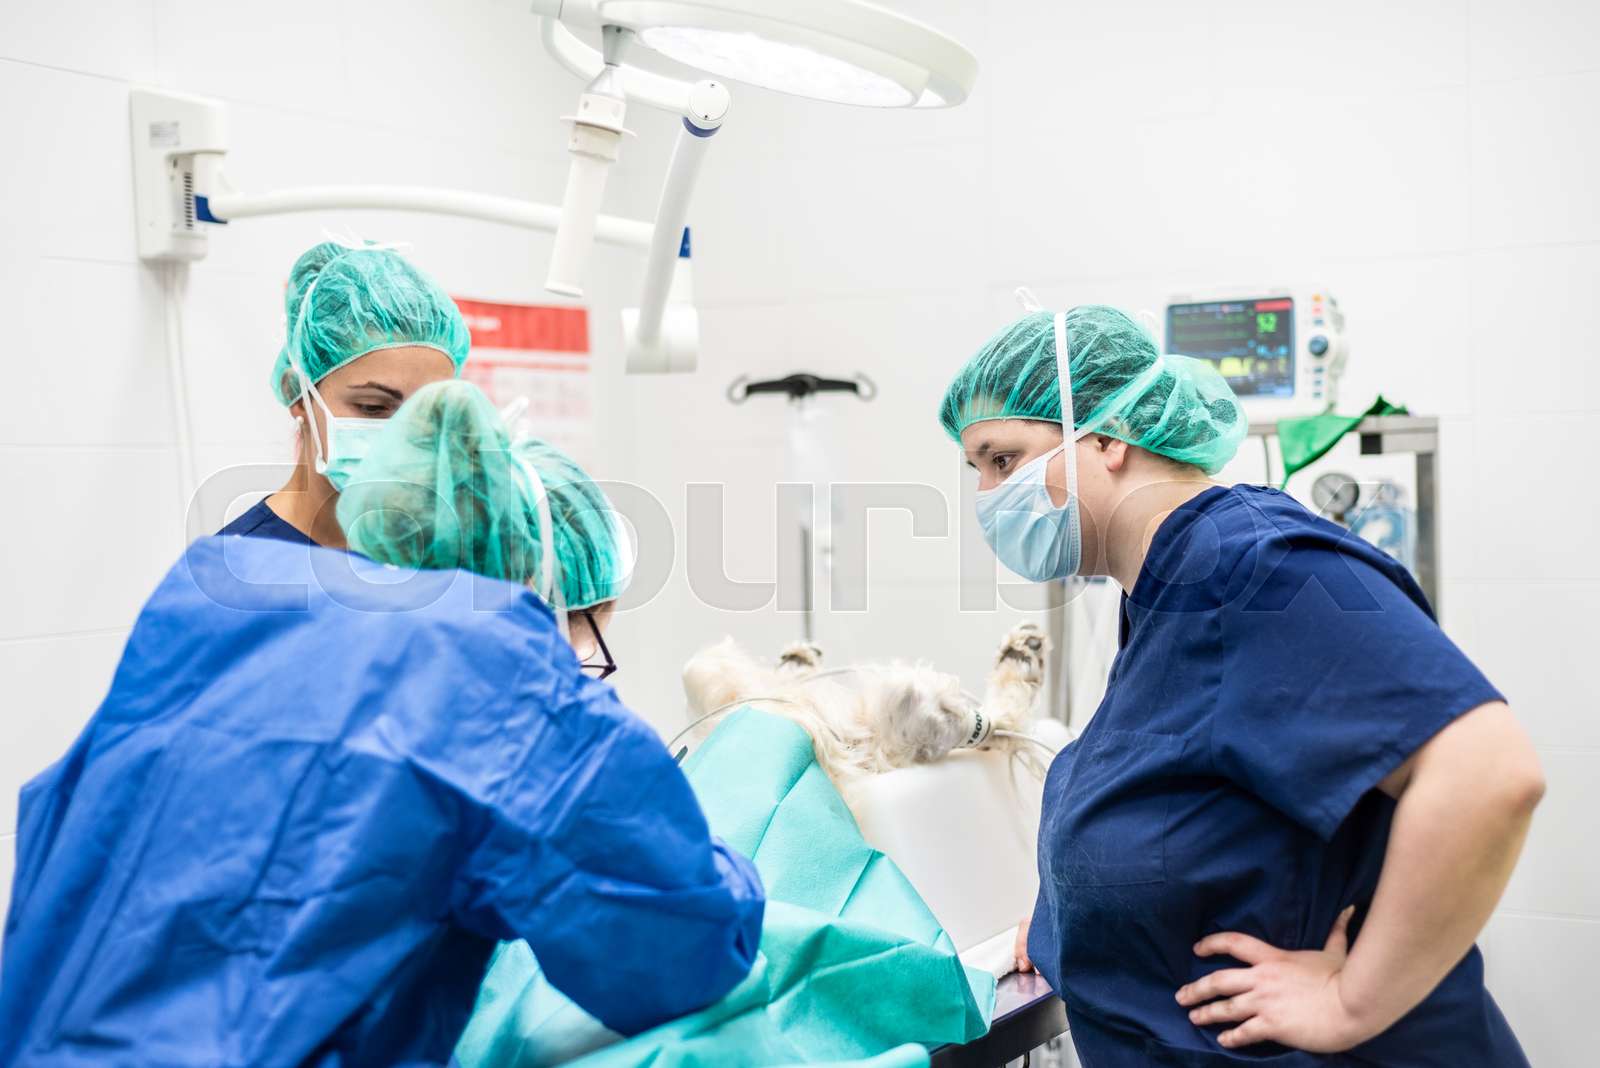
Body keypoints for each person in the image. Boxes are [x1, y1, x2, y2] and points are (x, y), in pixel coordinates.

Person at [0, 380, 762, 1067]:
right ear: (535, 586)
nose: (587, 666)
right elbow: (686, 946)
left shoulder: (217, 607)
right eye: (587, 634)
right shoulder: (504, 684)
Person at [940, 305, 1543, 1066]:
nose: (990, 496)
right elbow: (1198, 812)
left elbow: (1488, 772)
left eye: (1003, 460)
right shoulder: (1165, 591)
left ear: (1104, 437)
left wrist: (1350, 1001)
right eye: (978, 471)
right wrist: (1077, 916)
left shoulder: (1250, 567)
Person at [220, 239, 471, 547]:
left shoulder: (441, 553)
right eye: (373, 407)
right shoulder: (230, 574)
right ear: (299, 395)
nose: (406, 437)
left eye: (429, 410)